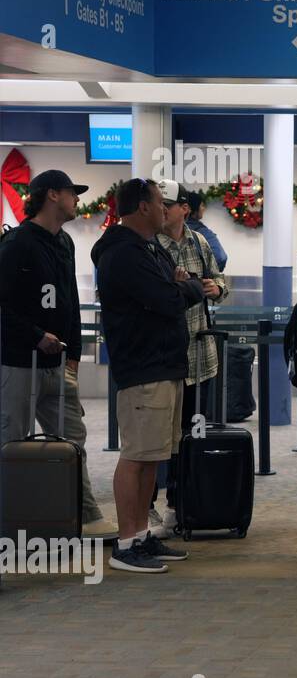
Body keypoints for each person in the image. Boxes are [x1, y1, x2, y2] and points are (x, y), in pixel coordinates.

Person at [91, 178, 205, 573]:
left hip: (165, 364)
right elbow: (167, 298)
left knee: (154, 455)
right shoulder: (123, 253)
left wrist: (181, 286)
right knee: (136, 457)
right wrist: (189, 289)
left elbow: (174, 286)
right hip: (142, 367)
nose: (166, 208)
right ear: (142, 207)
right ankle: (125, 545)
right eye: (160, 202)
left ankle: (141, 536)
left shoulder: (147, 247)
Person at [0, 169, 114, 537]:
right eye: (71, 193)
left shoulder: (64, 243)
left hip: (57, 363)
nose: (77, 199)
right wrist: (35, 336)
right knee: (11, 442)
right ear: (51, 195)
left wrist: (75, 353)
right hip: (18, 364)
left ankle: (85, 513)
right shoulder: (16, 244)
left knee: (72, 438)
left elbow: (68, 302)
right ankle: (11, 521)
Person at [151, 182, 230, 538]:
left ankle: (181, 504)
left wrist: (217, 289)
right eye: (158, 204)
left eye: (167, 204)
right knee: (157, 438)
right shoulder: (149, 247)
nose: (161, 210)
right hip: (164, 360)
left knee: (192, 435)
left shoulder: (199, 244)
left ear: (184, 208)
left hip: (201, 360)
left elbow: (219, 280)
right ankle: (148, 507)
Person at [184, 190, 228, 272]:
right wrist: (205, 274)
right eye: (202, 205)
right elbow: (221, 258)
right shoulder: (203, 232)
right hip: (201, 282)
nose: (204, 208)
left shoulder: (172, 228)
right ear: (194, 208)